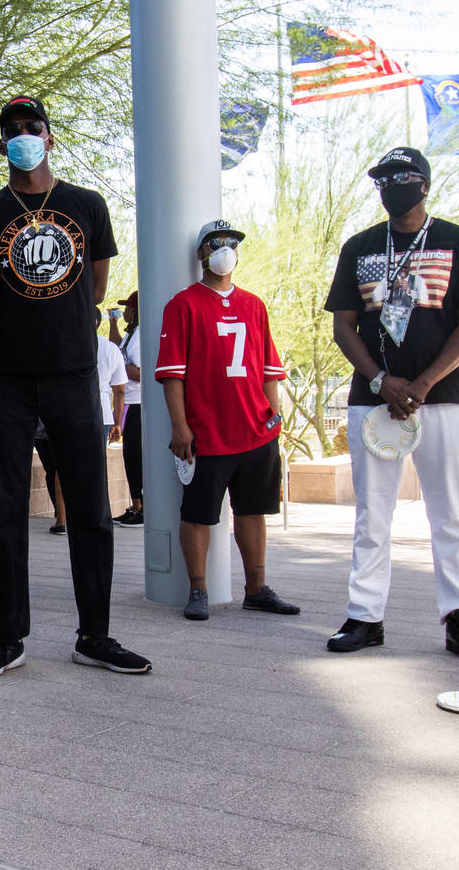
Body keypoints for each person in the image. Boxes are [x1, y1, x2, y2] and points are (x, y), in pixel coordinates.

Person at [0, 95, 150, 679]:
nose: (21, 135)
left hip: (72, 373)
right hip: (6, 378)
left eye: (31, 127)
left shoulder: (85, 205)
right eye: (10, 129)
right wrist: (9, 306)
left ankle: (95, 635)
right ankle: (6, 639)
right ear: (1, 144)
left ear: (49, 136)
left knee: (90, 508)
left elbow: (94, 288)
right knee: (6, 510)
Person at [323, 147, 459, 662]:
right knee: (371, 514)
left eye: (404, 177)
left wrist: (421, 384)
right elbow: (343, 326)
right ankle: (365, 616)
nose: (394, 185)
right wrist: (380, 381)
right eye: (384, 179)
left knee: (451, 514)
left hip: (442, 399)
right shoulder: (359, 246)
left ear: (423, 184)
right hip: (372, 401)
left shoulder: (458, 241)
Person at [155, 220, 299, 622]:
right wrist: (180, 427)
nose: (225, 250)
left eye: (231, 243)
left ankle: (256, 587)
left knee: (253, 511)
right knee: (197, 513)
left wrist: (275, 418)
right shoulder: (182, 305)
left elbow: (270, 369)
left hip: (255, 430)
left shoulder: (254, 305)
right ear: (202, 254)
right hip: (207, 432)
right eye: (216, 243)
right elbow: (172, 374)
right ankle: (198, 588)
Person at [109, 291, 143, 526]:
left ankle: (142, 508)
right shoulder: (131, 335)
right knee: (130, 456)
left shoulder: (141, 335)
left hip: (137, 402)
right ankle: (135, 505)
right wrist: (112, 322)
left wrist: (120, 365)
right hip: (129, 402)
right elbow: (115, 351)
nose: (126, 312)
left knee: (136, 456)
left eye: (128, 308)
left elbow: (138, 373)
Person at [95, 307, 126, 447]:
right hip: (102, 413)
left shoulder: (66, 344)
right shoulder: (110, 349)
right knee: (97, 461)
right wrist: (117, 422)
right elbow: (119, 391)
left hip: (69, 413)